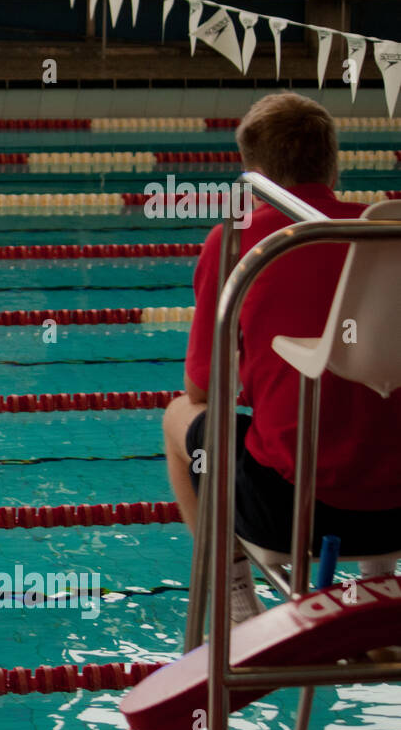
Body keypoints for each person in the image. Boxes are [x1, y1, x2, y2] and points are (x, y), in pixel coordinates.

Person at [162, 92, 401, 622]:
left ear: (255, 171)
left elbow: (205, 388)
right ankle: (380, 578)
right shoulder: (386, 235)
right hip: (395, 511)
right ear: (333, 164)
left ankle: (233, 588)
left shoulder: (238, 241)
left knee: (179, 417)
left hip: (291, 514)